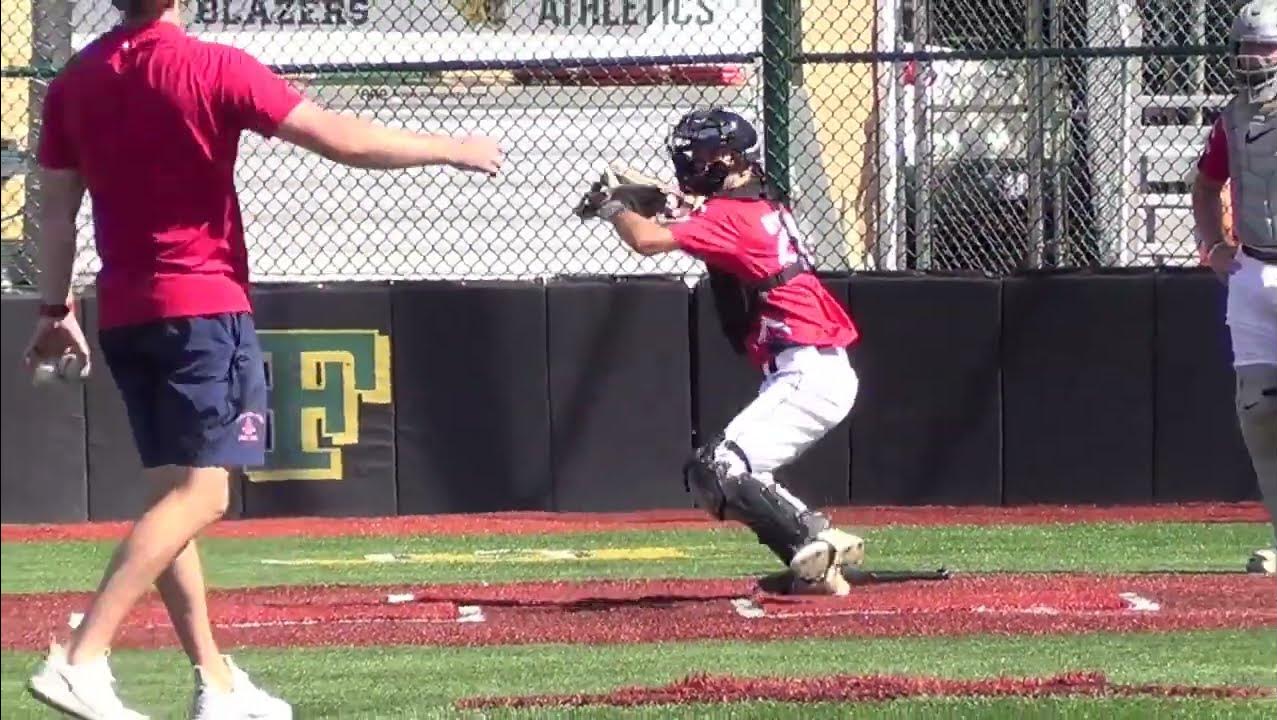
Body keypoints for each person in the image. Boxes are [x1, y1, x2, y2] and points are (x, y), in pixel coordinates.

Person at [23, 1, 503, 717]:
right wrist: (452, 147)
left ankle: (214, 683)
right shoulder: (214, 65)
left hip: (125, 312)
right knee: (207, 494)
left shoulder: (76, 79)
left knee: (173, 500)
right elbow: (342, 139)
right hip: (202, 307)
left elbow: (56, 209)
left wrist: (54, 307)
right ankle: (83, 657)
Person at [583, 108, 864, 595]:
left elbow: (646, 240)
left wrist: (611, 205)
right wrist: (663, 201)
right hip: (812, 368)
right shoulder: (755, 204)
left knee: (717, 469)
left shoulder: (732, 215)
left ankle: (809, 543)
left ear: (733, 156)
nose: (695, 159)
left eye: (707, 151)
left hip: (808, 369)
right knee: (730, 473)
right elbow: (696, 218)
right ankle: (819, 552)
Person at [1191, 0, 1277, 577]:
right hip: (1251, 270)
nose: (1254, 57)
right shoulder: (1231, 116)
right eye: (1246, 46)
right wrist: (1211, 246)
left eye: (1265, 45)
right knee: (1260, 414)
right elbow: (1205, 184)